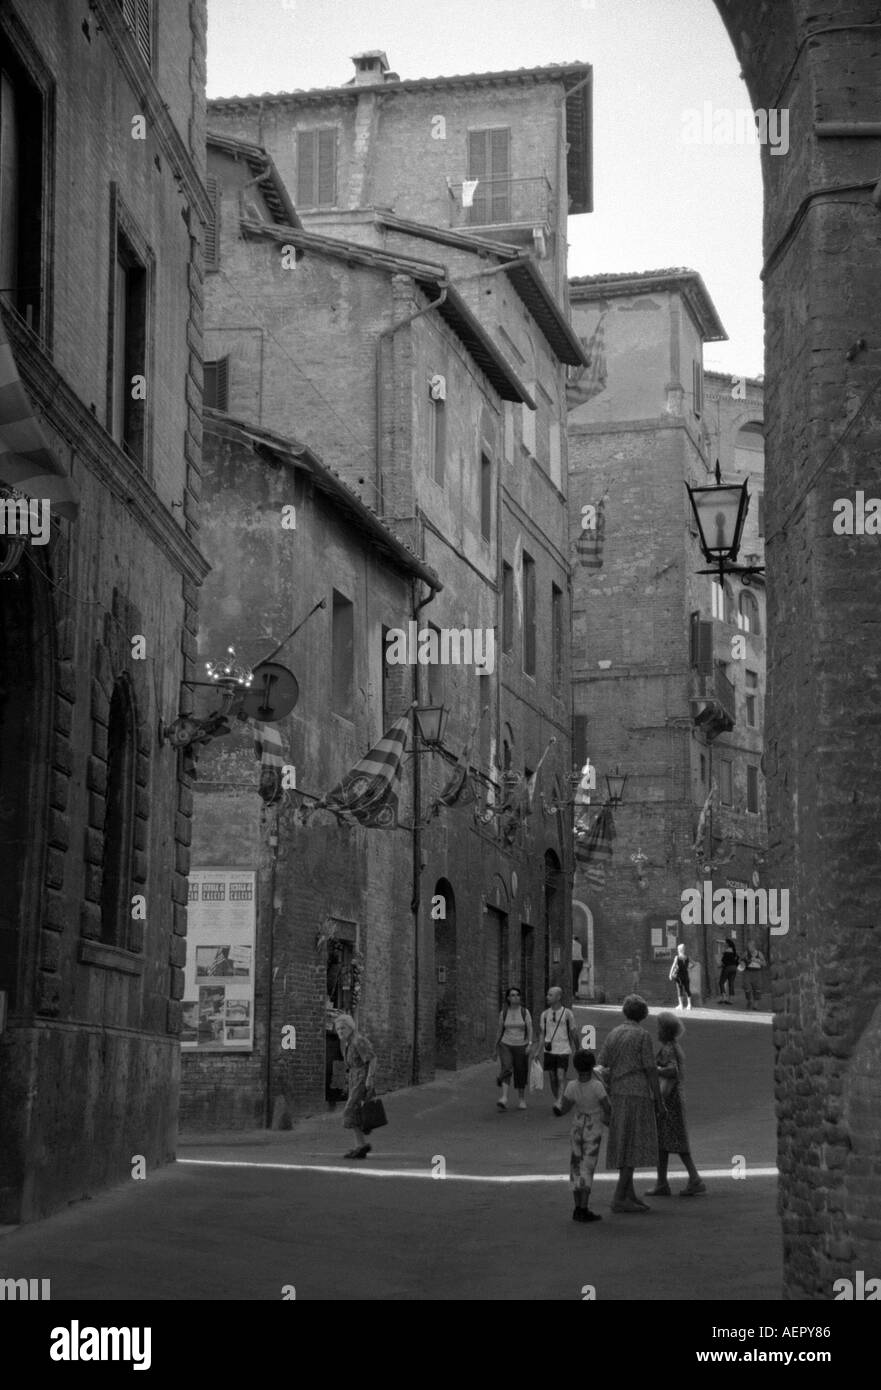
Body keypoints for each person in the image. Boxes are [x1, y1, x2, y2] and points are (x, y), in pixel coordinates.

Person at [598, 995, 664, 1214]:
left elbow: (601, 1065)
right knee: (633, 1143)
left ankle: (629, 1193)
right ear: (643, 1015)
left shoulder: (614, 1033)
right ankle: (619, 1197)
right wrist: (659, 1100)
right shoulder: (642, 1035)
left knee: (623, 1141)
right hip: (637, 1093)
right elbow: (650, 1069)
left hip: (617, 1092)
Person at [644, 1012, 707, 1198]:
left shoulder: (668, 1049)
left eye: (659, 1028)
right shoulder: (673, 1046)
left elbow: (672, 1070)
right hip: (673, 1097)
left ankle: (693, 1178)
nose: (656, 1031)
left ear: (665, 1031)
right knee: (664, 1141)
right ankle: (662, 1182)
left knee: (674, 1141)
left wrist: (656, 1070)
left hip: (669, 1099)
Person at [553, 1049, 611, 1223]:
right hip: (593, 1128)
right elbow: (607, 1107)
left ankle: (577, 1207)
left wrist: (557, 1109)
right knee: (588, 1167)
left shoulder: (572, 1086)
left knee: (576, 1166)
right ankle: (584, 1208)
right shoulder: (597, 1086)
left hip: (577, 1127)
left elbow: (564, 1108)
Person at [333, 1013, 377, 1159]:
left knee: (350, 1110)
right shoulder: (348, 1043)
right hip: (354, 1078)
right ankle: (360, 1145)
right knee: (355, 1111)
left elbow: (372, 1059)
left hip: (361, 1078)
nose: (340, 1031)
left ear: (350, 1028)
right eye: (338, 1028)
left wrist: (369, 1079)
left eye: (343, 1028)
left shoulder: (358, 1041)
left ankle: (363, 1141)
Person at [532, 986, 579, 1103]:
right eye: (548, 994)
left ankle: (559, 1102)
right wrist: (538, 1051)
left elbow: (573, 1031)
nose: (547, 997)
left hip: (563, 1049)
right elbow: (542, 1034)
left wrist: (579, 1048)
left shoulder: (567, 1013)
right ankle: (560, 1099)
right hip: (549, 1051)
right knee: (553, 1078)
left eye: (550, 995)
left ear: (558, 997)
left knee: (560, 1076)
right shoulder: (544, 1015)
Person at [494, 986, 533, 1111]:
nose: (516, 997)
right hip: (506, 1044)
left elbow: (530, 1028)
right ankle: (504, 1098)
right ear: (508, 998)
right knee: (506, 1067)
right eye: (512, 995)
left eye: (517, 995)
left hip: (521, 1045)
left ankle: (521, 1099)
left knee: (521, 1071)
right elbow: (500, 1031)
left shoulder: (525, 1012)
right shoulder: (504, 1013)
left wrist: (530, 1044)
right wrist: (495, 1048)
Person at [741, 940, 767, 1010]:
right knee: (747, 987)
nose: (748, 948)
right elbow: (740, 961)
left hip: (757, 973)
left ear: (754, 947)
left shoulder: (759, 953)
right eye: (748, 946)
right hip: (748, 972)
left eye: (750, 947)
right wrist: (743, 962)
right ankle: (749, 1000)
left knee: (757, 989)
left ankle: (755, 1005)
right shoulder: (746, 953)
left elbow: (765, 964)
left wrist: (757, 960)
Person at [670, 942, 692, 1011]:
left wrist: (670, 974)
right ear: (684, 949)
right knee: (687, 989)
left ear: (679, 950)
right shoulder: (687, 957)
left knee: (680, 990)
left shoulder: (677, 957)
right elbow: (694, 964)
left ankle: (681, 1005)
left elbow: (673, 966)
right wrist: (689, 968)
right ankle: (689, 1005)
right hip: (686, 975)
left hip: (679, 976)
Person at [717, 938, 739, 1004]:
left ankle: (723, 998)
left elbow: (723, 961)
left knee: (721, 982)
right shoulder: (734, 952)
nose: (724, 944)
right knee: (731, 984)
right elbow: (737, 960)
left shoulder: (727, 951)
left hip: (727, 968)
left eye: (725, 943)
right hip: (734, 968)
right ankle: (730, 1000)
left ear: (728, 944)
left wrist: (719, 965)